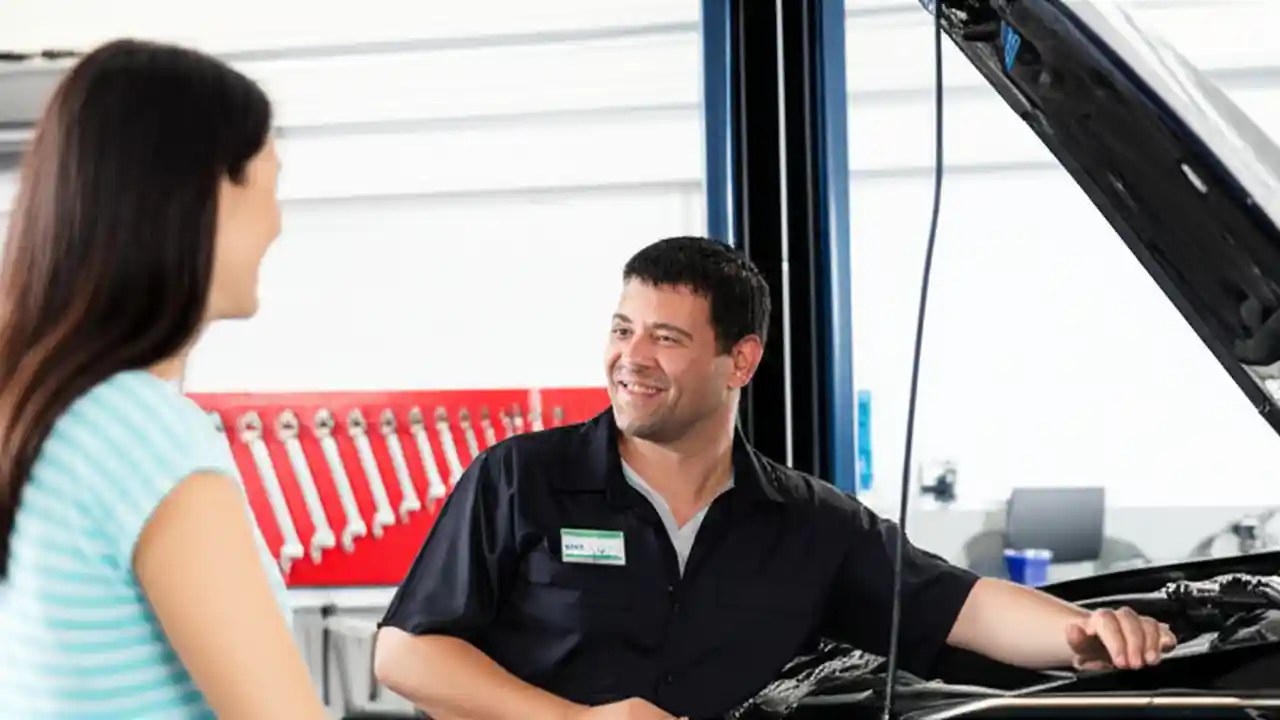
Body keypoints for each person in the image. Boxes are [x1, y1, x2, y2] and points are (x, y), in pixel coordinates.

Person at [374, 236, 1176, 720]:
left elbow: (958, 604)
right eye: (622, 330)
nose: (631, 358)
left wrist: (1083, 635)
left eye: (666, 337)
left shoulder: (808, 523)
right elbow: (407, 656)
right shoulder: (521, 479)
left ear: (741, 360)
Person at [0, 40, 327, 718]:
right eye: (268, 179)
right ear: (200, 196)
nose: (278, 223)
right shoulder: (138, 432)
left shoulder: (44, 409)